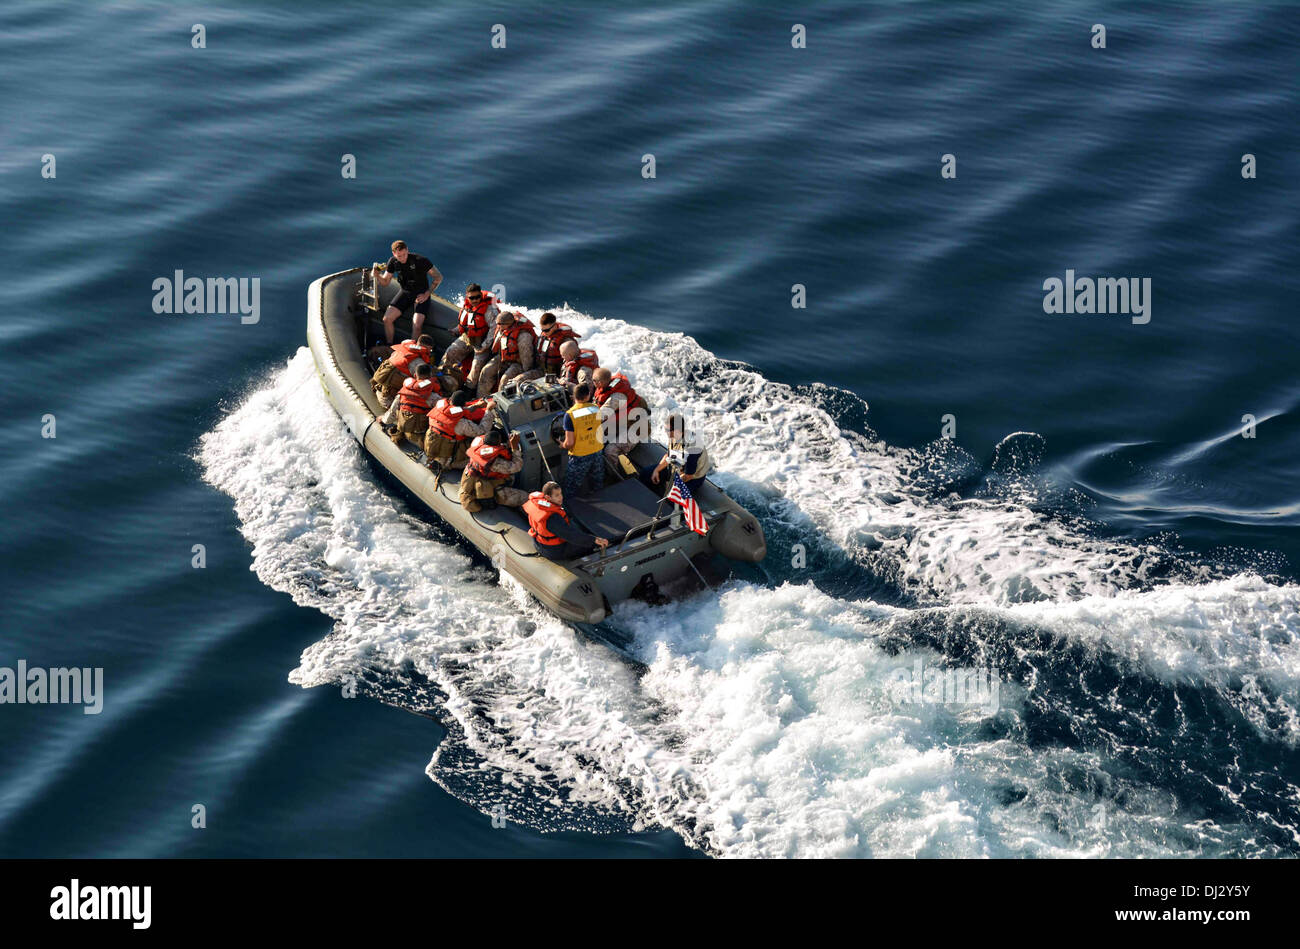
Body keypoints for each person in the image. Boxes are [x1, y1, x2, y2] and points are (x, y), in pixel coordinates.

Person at [373, 241, 442, 344]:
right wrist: (377, 275)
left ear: (407, 250)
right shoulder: (393, 262)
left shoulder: (420, 260)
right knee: (386, 319)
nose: (402, 258)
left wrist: (427, 294)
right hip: (405, 292)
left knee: (417, 325)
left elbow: (438, 277)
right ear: (394, 254)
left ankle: (412, 350)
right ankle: (389, 345)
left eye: (404, 254)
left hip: (421, 294)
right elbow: (385, 282)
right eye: (399, 256)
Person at [523, 482, 611, 561]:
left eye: (560, 493)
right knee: (588, 545)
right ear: (547, 497)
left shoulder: (538, 503)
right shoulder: (552, 518)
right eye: (557, 495)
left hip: (538, 542)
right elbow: (571, 536)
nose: (561, 497)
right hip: (553, 551)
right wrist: (594, 540)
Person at [439, 284, 498, 393]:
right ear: (467, 297)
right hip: (468, 337)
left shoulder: (489, 310)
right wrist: (456, 330)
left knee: (476, 365)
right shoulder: (467, 307)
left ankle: (468, 390)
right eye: (472, 298)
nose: (475, 300)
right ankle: (442, 377)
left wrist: (484, 346)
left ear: (481, 295)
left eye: (477, 297)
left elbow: (494, 330)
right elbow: (466, 322)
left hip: (483, 341)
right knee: (450, 352)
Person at [592, 367, 650, 472]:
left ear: (600, 382)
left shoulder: (617, 397)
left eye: (593, 380)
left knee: (610, 450)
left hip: (636, 429)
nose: (592, 382)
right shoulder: (608, 387)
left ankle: (613, 473)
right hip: (624, 424)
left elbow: (602, 414)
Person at [424, 390, 494, 472]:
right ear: (464, 404)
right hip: (449, 459)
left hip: (430, 448)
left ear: (450, 399)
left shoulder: (437, 408)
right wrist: (488, 411)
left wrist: (475, 406)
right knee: (479, 453)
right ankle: (449, 465)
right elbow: (482, 430)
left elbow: (453, 411)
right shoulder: (462, 424)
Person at [459, 429, 526, 512]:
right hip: (491, 485)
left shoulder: (478, 444)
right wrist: (515, 449)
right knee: (525, 498)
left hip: (474, 477)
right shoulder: (494, 462)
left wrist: (508, 444)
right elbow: (516, 466)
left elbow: (494, 448)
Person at [477, 310, 540, 397]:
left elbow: (527, 359)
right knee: (486, 371)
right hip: (504, 357)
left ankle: (499, 401)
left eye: (500, 324)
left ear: (508, 324)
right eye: (497, 324)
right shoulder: (502, 330)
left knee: (505, 380)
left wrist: (526, 374)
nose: (498, 326)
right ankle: (481, 397)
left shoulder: (523, 336)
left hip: (518, 363)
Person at [649, 413, 712, 495]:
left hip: (692, 478)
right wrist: (656, 470)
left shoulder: (692, 449)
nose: (665, 432)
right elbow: (669, 455)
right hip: (676, 467)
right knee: (646, 474)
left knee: (672, 498)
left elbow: (688, 476)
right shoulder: (674, 437)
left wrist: (671, 485)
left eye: (667, 430)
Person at [560, 383, 605, 497]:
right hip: (597, 452)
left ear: (573, 397)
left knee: (571, 486)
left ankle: (570, 505)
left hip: (580, 456)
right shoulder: (596, 408)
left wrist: (562, 445)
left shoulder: (569, 415)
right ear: (588, 395)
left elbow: (569, 443)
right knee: (597, 483)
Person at [370, 334, 436, 407]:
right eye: (430, 350)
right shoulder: (418, 362)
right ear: (428, 348)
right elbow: (424, 383)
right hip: (389, 395)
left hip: (382, 380)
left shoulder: (403, 348)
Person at [389, 363, 439, 449]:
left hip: (404, 428)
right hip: (420, 435)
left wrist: (383, 420)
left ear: (415, 375)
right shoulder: (433, 397)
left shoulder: (402, 393)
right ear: (430, 376)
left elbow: (392, 411)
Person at [535, 312, 581, 377]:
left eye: (546, 330)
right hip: (542, 370)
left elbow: (572, 361)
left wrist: (564, 379)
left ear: (554, 326)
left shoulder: (565, 340)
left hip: (556, 374)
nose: (544, 332)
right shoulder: (545, 334)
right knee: (521, 378)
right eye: (542, 330)